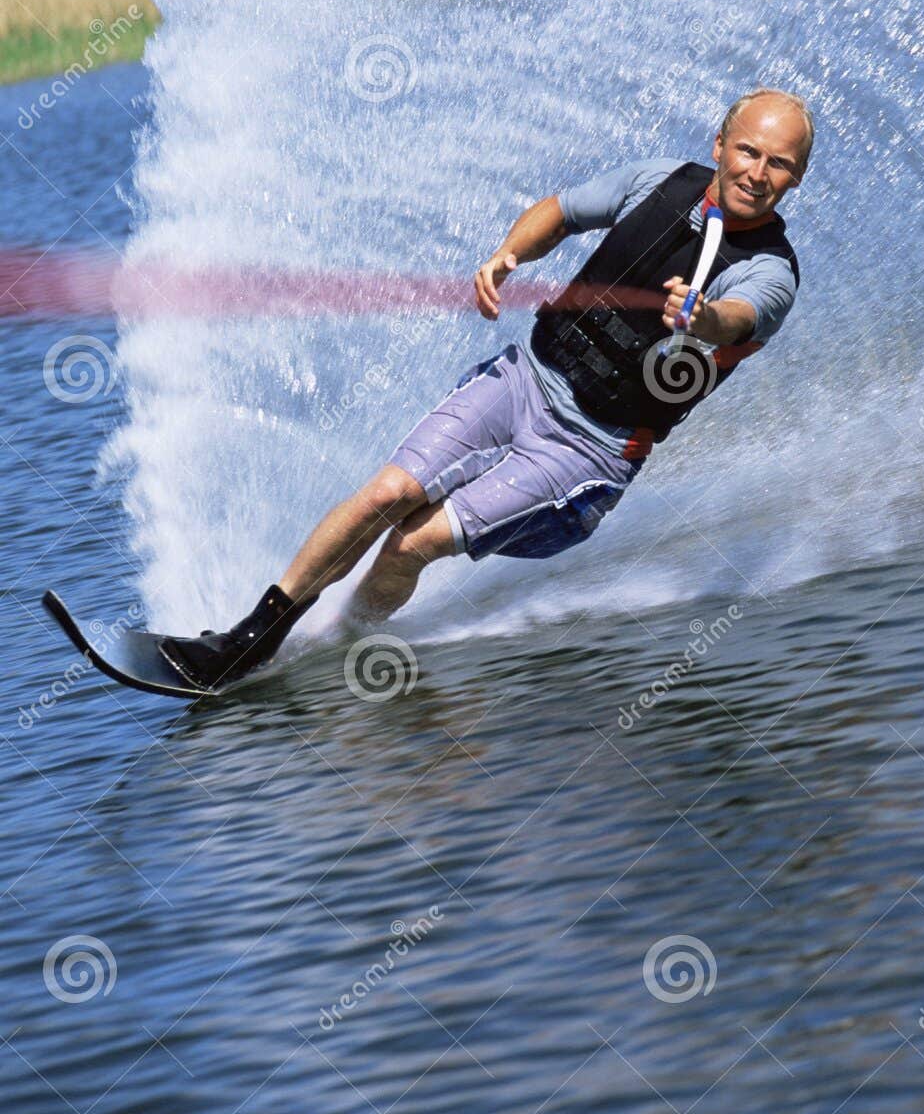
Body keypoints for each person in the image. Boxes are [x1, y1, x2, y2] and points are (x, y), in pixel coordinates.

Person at [161, 87, 813, 689]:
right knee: (387, 494)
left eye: (778, 164)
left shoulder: (771, 272)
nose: (757, 173)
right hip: (524, 378)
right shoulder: (656, 181)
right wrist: (508, 256)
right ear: (719, 146)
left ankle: (340, 649)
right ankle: (249, 641)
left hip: (590, 452)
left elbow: (740, 314)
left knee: (412, 541)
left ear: (795, 178)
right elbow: (558, 213)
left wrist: (701, 320)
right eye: (748, 151)